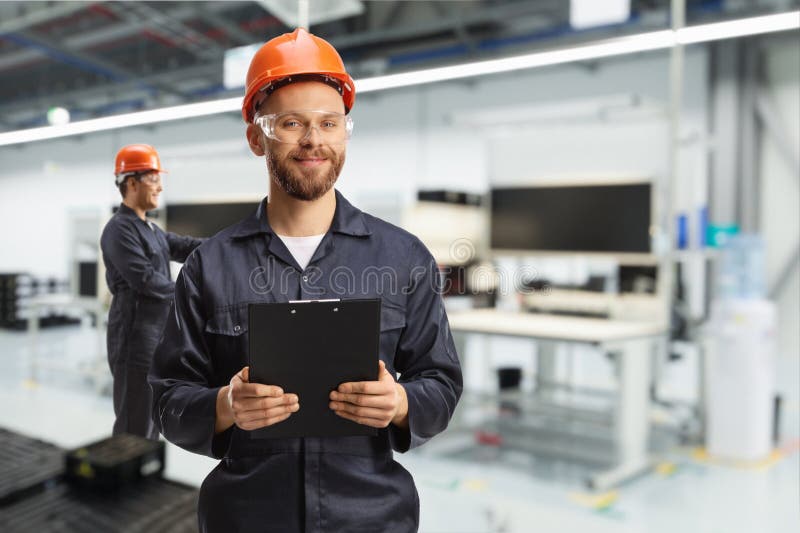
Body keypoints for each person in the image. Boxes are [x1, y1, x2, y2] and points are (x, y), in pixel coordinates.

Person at [148, 28, 462, 532]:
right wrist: (225, 405)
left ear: (344, 133)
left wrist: (402, 402)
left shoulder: (404, 257)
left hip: (372, 516)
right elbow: (167, 400)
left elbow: (442, 384)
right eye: (292, 123)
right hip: (246, 517)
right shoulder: (210, 265)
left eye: (329, 123)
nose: (314, 140)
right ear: (256, 137)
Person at [100, 143, 203, 440]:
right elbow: (145, 281)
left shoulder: (151, 229)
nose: (160, 187)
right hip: (134, 338)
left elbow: (185, 246)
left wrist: (229, 242)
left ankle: (143, 474)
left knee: (152, 416)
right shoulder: (119, 229)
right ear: (131, 182)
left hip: (155, 335)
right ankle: (126, 481)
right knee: (135, 421)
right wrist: (192, 295)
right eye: (154, 179)